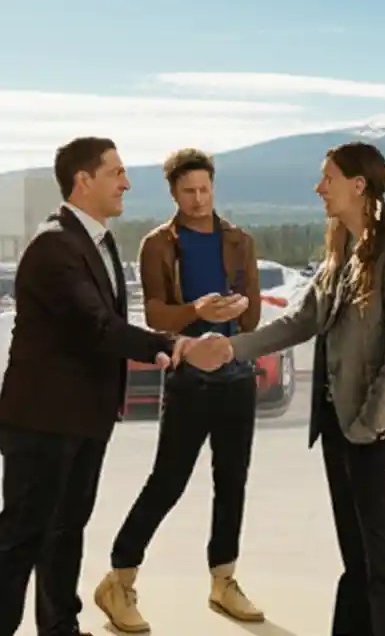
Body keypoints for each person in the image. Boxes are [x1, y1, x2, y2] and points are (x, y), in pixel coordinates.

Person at [181, 141, 385, 636]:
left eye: (328, 178)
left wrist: (372, 422)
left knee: (384, 569)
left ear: (358, 185)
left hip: (375, 436)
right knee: (358, 560)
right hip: (340, 430)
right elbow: (303, 320)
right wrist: (231, 348)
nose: (318, 187)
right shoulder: (342, 248)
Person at [0, 137, 185, 636]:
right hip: (42, 422)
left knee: (65, 535)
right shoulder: (54, 245)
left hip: (84, 418)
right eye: (116, 173)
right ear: (83, 180)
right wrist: (171, 344)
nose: (126, 182)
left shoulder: (97, 240)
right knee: (21, 540)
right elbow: (97, 326)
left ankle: (60, 627)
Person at [94, 149, 263, 632]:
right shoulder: (158, 244)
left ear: (214, 187)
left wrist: (240, 306)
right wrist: (197, 311)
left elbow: (249, 319)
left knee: (232, 481)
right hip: (189, 375)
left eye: (204, 189)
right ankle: (119, 580)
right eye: (188, 191)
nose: (197, 199)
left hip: (237, 373)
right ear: (173, 193)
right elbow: (155, 316)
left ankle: (224, 581)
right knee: (168, 481)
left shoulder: (239, 240)